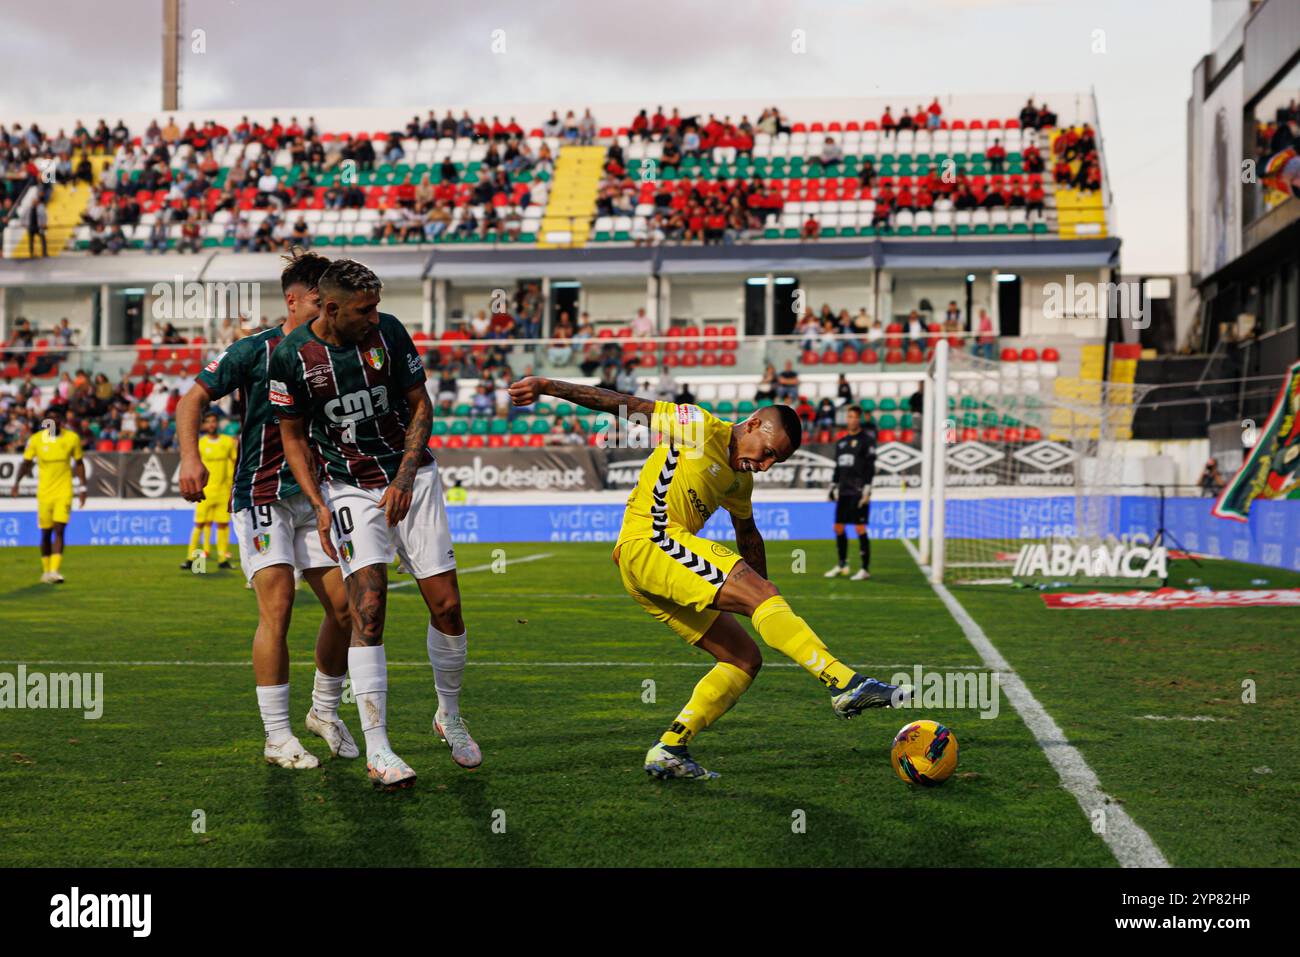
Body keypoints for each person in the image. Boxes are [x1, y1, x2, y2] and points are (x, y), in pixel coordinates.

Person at [506, 374, 905, 780]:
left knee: (743, 659)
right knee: (760, 597)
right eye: (767, 453)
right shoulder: (697, 425)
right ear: (752, 425)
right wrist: (547, 387)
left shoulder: (739, 479)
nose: (764, 466)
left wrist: (763, 599)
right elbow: (621, 403)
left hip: (651, 567)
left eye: (774, 462)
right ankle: (846, 684)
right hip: (652, 540)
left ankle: (670, 747)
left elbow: (748, 534)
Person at [271, 258, 481, 790]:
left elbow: (419, 404)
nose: (375, 315)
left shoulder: (387, 332)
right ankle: (379, 746)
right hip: (348, 488)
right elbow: (293, 438)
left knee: (448, 606)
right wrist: (319, 505)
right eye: (365, 309)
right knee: (368, 605)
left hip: (412, 477)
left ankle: (448, 715)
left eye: (377, 306)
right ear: (333, 308)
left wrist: (406, 477)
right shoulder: (293, 358)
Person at [176, 251, 355, 772]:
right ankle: (277, 736)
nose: (329, 310)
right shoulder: (256, 349)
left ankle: (323, 711)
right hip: (261, 496)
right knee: (277, 609)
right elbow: (192, 400)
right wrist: (190, 457)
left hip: (315, 497)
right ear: (293, 300)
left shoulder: (336, 351)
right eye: (321, 302)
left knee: (345, 608)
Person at [9, 407, 85, 584]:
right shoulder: (35, 440)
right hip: (44, 492)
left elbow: (79, 463)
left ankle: (54, 570)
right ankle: (45, 570)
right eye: (50, 419)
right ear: (45, 422)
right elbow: (26, 463)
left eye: (57, 418)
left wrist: (83, 488)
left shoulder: (72, 438)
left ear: (62, 420)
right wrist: (16, 483)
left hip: (64, 491)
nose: (54, 422)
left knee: (60, 529)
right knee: (45, 532)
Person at [824, 405, 877, 581]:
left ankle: (865, 569)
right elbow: (838, 467)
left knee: (860, 527)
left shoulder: (867, 441)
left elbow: (870, 467)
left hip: (859, 490)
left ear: (859, 419)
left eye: (855, 417)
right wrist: (832, 486)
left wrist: (868, 490)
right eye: (849, 417)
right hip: (844, 491)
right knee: (838, 527)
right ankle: (842, 565)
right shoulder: (841, 442)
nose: (852, 420)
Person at [181, 411, 237, 570]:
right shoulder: (200, 443)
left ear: (217, 423)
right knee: (199, 524)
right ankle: (191, 558)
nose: (212, 424)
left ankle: (222, 559)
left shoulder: (227, 442)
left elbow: (234, 462)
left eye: (214, 421)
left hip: (223, 491)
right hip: (205, 491)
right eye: (209, 422)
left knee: (223, 525)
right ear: (204, 425)